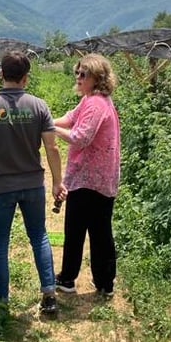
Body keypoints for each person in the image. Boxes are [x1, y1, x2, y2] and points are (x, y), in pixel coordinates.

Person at [0, 51, 66, 315]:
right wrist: (57, 182)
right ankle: (49, 295)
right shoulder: (39, 106)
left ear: (1, 74)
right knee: (39, 237)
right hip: (32, 184)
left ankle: (0, 304)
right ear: (25, 77)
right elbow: (52, 148)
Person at [52, 53, 121, 298]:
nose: (79, 78)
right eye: (77, 72)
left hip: (91, 177)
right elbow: (71, 118)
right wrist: (47, 120)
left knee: (80, 229)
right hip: (100, 177)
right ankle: (104, 283)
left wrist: (49, 129)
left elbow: (81, 137)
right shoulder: (93, 99)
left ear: (97, 78)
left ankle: (69, 278)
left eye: (84, 74)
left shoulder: (95, 104)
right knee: (99, 229)